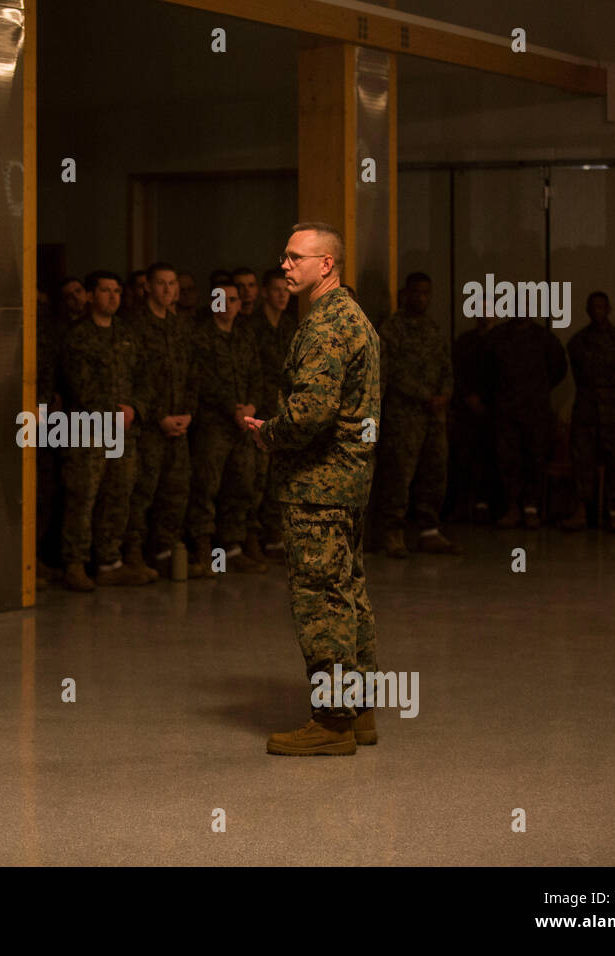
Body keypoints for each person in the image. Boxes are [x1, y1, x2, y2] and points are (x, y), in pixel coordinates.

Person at [247, 222, 380, 756]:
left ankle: (330, 723)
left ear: (326, 264)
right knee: (348, 593)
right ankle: (359, 710)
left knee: (320, 600)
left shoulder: (328, 326)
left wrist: (268, 434)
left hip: (317, 485)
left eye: (296, 258)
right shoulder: (354, 318)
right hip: (345, 483)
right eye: (283, 257)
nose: (285, 266)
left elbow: (310, 414)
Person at [59, 270, 151, 591]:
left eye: (117, 291)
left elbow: (143, 378)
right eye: (105, 291)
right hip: (88, 430)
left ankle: (110, 561)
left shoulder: (126, 334)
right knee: (83, 496)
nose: (112, 297)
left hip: (124, 430)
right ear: (89, 296)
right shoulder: (78, 337)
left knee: (119, 494)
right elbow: (80, 386)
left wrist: (135, 409)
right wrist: (113, 412)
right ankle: (74, 563)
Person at [373, 272, 458, 556]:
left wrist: (444, 394)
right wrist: (425, 396)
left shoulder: (433, 329)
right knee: (398, 474)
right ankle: (393, 532)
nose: (422, 298)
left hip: (434, 416)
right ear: (405, 294)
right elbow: (390, 371)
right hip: (404, 415)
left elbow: (446, 365)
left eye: (426, 293)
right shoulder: (392, 329)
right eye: (417, 293)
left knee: (435, 471)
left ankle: (429, 530)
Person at [184, 281, 264, 576]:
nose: (227, 305)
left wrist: (251, 407)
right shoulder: (201, 336)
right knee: (207, 486)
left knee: (241, 484)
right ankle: (204, 551)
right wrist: (232, 407)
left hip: (242, 424)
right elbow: (202, 379)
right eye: (221, 299)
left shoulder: (245, 336)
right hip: (213, 424)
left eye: (233, 300)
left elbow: (257, 374)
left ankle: (232, 548)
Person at [123, 262, 194, 578]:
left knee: (175, 490)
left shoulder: (180, 326)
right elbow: (134, 378)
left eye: (173, 284)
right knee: (142, 492)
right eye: (162, 284)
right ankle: (134, 552)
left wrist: (188, 413)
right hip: (150, 427)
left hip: (179, 422)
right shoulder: (135, 325)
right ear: (148, 288)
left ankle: (164, 550)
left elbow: (193, 374)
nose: (168, 290)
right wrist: (158, 417)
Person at [561, 292, 615, 532]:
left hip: (614, 411)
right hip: (586, 409)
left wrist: (614, 397)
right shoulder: (577, 342)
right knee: (582, 460)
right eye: (593, 306)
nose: (597, 310)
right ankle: (582, 510)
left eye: (601, 306)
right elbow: (576, 373)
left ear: (609, 308)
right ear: (587, 310)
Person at [483, 310, 567, 528]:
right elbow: (485, 369)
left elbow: (559, 368)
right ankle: (512, 507)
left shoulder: (545, 338)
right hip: (506, 410)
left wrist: (538, 390)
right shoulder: (497, 336)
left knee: (535, 459)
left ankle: (531, 508)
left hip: (535, 410)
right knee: (507, 460)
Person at [246, 270, 298, 560]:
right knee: (254, 479)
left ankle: (274, 535)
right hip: (259, 409)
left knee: (278, 478)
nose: (282, 295)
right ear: (265, 292)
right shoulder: (252, 327)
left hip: (283, 412)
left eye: (286, 290)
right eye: (276, 289)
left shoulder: (291, 327)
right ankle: (251, 536)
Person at [448, 310, 496, 522]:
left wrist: (489, 400)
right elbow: (454, 371)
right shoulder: (465, 342)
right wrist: (468, 396)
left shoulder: (502, 341)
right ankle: (462, 504)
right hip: (465, 409)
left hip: (496, 409)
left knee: (492, 458)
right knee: (462, 458)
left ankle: (485, 504)